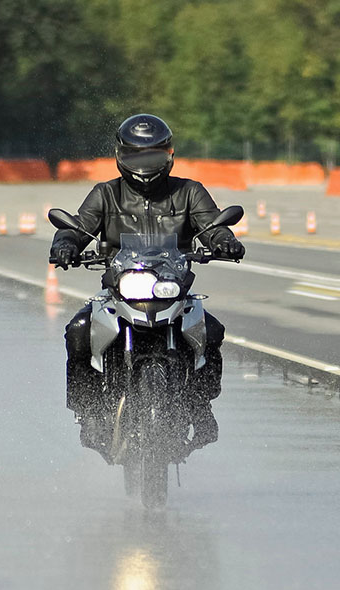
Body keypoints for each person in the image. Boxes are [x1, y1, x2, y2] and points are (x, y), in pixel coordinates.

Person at [49, 114, 245, 461]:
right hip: (119, 290)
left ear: (169, 155)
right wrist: (65, 244)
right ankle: (88, 411)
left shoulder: (189, 192)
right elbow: (78, 227)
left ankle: (200, 405)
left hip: (173, 289)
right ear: (121, 155)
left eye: (153, 156)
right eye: (137, 156)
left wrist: (224, 240)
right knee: (78, 331)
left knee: (212, 332)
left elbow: (212, 224)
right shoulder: (106, 194)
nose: (145, 165)